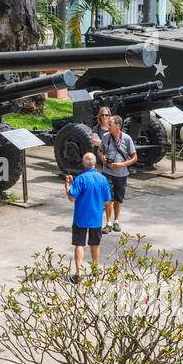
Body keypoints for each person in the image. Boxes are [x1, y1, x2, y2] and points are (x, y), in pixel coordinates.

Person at [65, 153, 111, 283]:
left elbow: (71, 197)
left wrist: (68, 185)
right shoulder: (102, 179)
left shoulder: (80, 179)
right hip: (96, 217)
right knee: (95, 244)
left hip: (80, 217)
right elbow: (108, 202)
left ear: (84, 164)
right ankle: (95, 270)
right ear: (95, 163)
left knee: (79, 244)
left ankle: (78, 273)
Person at [100, 116, 138, 231]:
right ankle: (109, 222)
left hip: (121, 173)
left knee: (118, 198)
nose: (108, 126)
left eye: (110, 124)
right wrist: (102, 158)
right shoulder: (106, 137)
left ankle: (116, 221)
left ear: (118, 126)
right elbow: (99, 150)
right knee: (107, 199)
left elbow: (134, 157)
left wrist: (122, 165)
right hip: (107, 172)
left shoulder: (127, 139)